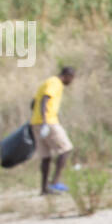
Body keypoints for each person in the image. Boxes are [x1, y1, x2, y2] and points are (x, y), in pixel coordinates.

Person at [30, 66, 76, 194]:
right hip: (49, 122)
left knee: (46, 157)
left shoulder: (46, 82)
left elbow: (33, 103)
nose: (71, 81)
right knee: (66, 149)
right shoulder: (55, 83)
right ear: (67, 75)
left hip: (36, 123)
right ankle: (55, 183)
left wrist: (37, 118)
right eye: (71, 78)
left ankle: (44, 188)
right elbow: (45, 99)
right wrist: (45, 122)